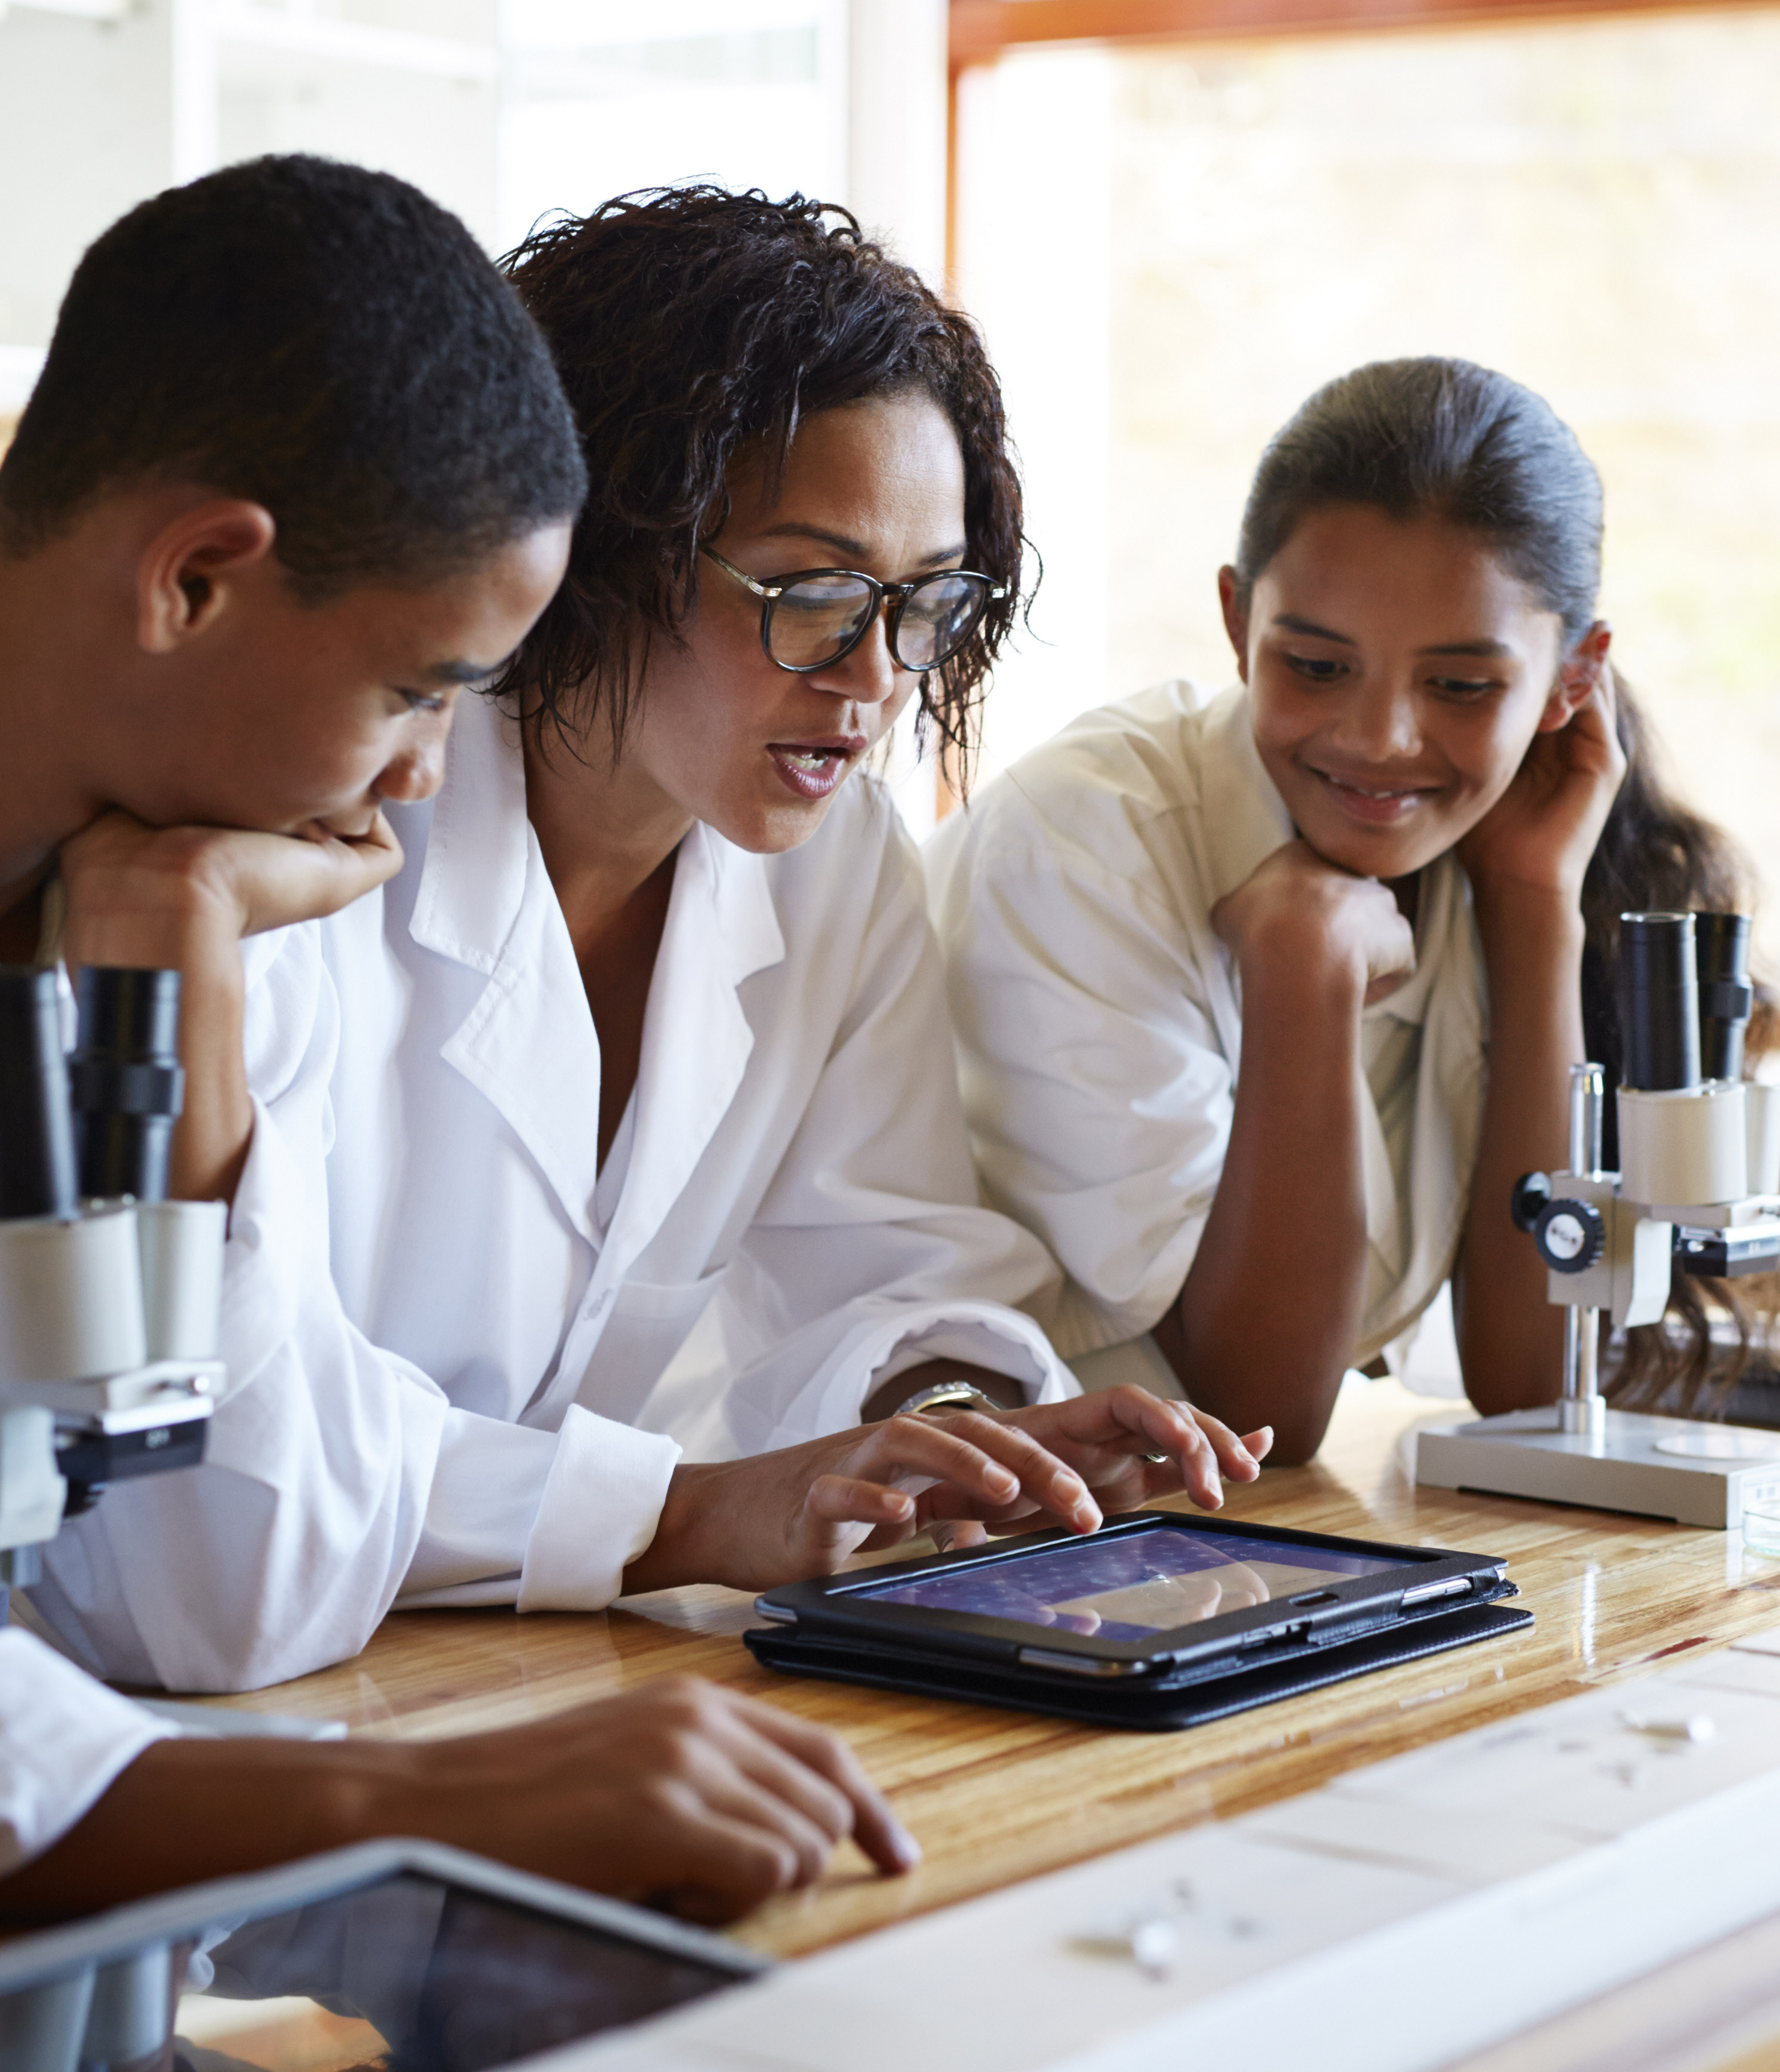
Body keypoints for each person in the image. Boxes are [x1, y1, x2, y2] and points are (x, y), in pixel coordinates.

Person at [0, 156, 910, 1942]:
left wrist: (184, 978)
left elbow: (220, 1592)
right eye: (420, 688)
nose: (430, 778)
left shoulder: (174, 892)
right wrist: (405, 1803)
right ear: (197, 578)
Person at [287, 184, 1266, 1618]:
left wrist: (962, 1431)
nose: (873, 679)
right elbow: (252, 1433)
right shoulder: (331, 830)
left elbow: (870, 1259)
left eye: (925, 602)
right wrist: (679, 1515)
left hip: (512, 1660)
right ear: (603, 549)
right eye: (812, 591)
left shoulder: (835, 860)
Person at [928, 356, 1761, 1464]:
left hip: (1180, 1541)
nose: (1381, 740)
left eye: (1461, 687)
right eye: (1318, 665)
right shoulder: (1089, 841)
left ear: (1573, 677)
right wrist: (1305, 975)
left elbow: (1533, 1379)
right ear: (1237, 622)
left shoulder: (1487, 855)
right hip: (947, 1542)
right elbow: (1253, 1416)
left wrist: (1534, 903)